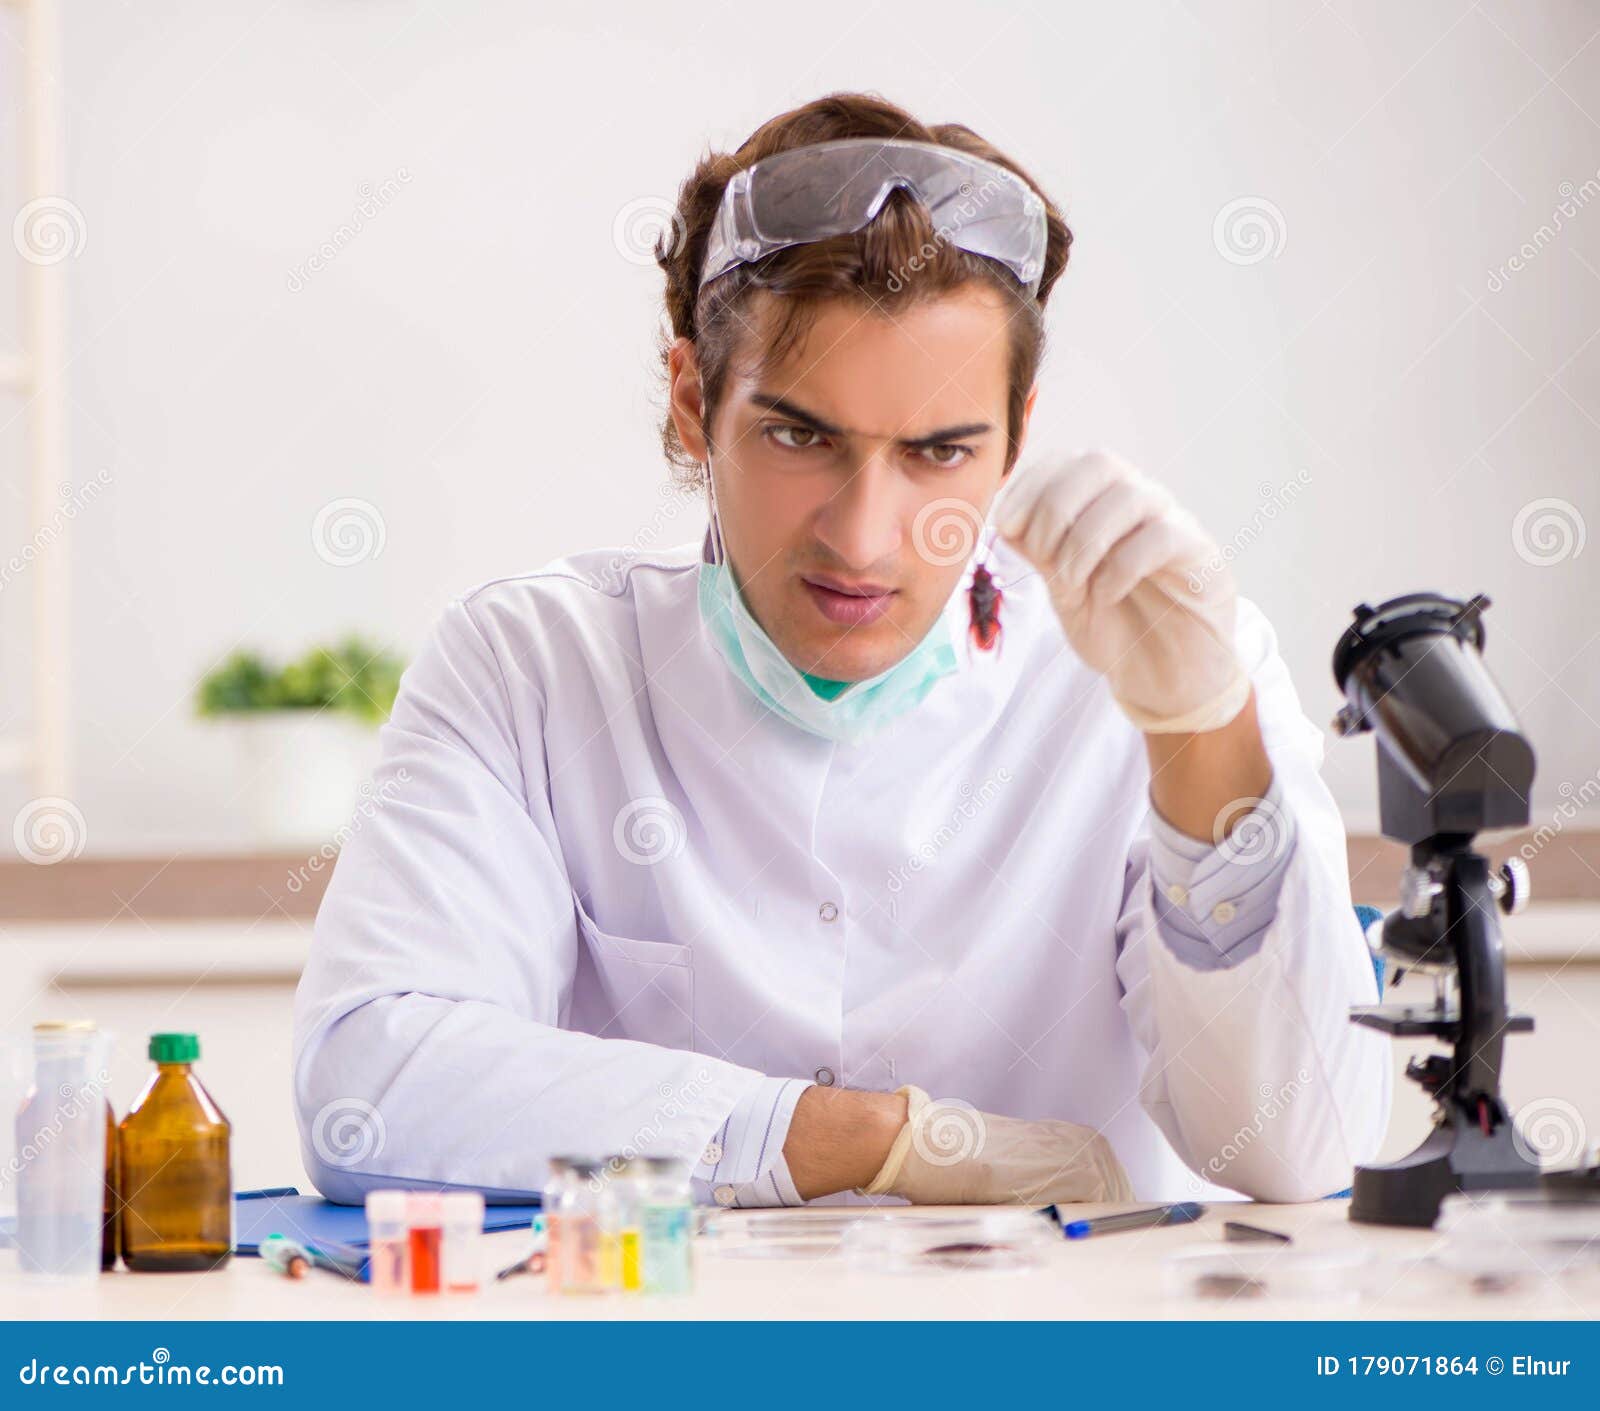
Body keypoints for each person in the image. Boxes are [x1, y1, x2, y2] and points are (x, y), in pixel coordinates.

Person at [292, 92, 1389, 1210]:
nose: (863, 539)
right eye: (799, 436)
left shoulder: (1162, 663)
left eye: (938, 452)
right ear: (693, 401)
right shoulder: (532, 667)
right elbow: (366, 1088)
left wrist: (1201, 735)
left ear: (1016, 432)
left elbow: (1302, 1149)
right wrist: (874, 1142)